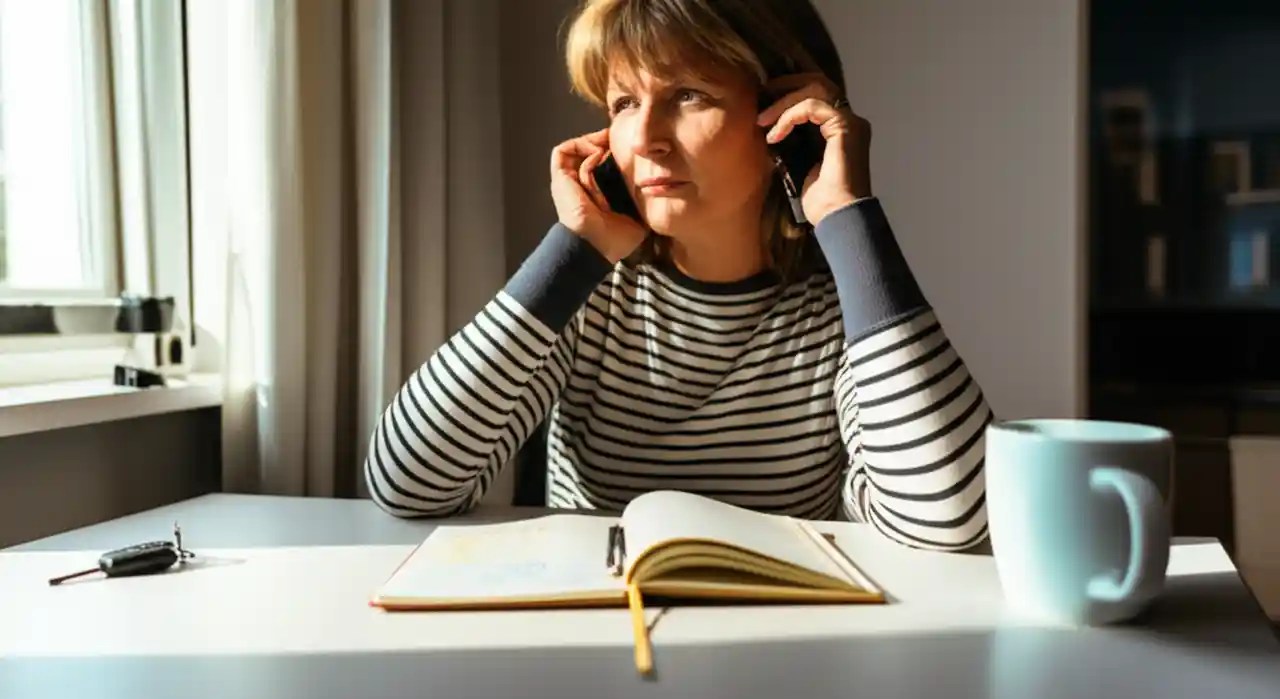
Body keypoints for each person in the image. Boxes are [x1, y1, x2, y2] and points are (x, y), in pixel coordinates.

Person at [365, 0, 993, 552]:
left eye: (688, 94)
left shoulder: (840, 316)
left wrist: (846, 216)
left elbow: (952, 518)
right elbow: (405, 482)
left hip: (787, 651)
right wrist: (573, 251)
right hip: (590, 641)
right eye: (624, 103)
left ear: (790, 117)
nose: (643, 139)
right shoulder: (588, 296)